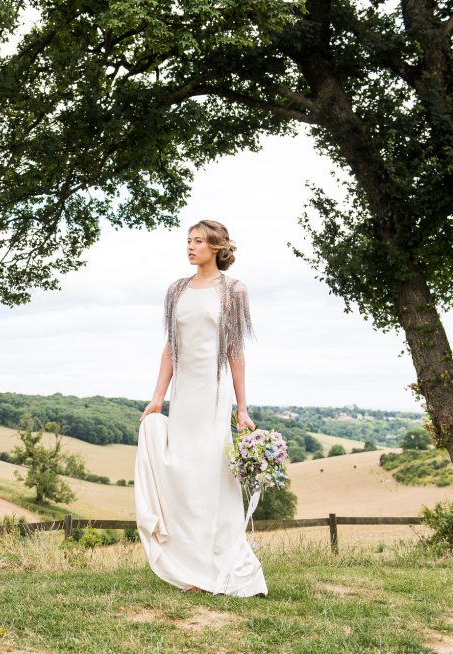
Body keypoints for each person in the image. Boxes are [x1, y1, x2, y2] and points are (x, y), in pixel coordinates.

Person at [134, 219, 268, 597]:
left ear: (215, 247)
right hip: (183, 398)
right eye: (188, 241)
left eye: (198, 241)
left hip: (212, 394)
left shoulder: (233, 291)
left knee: (210, 477)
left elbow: (235, 351)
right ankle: (189, 567)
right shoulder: (176, 289)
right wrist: (158, 397)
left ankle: (220, 565)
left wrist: (242, 409)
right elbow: (169, 349)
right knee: (183, 474)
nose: (190, 247)